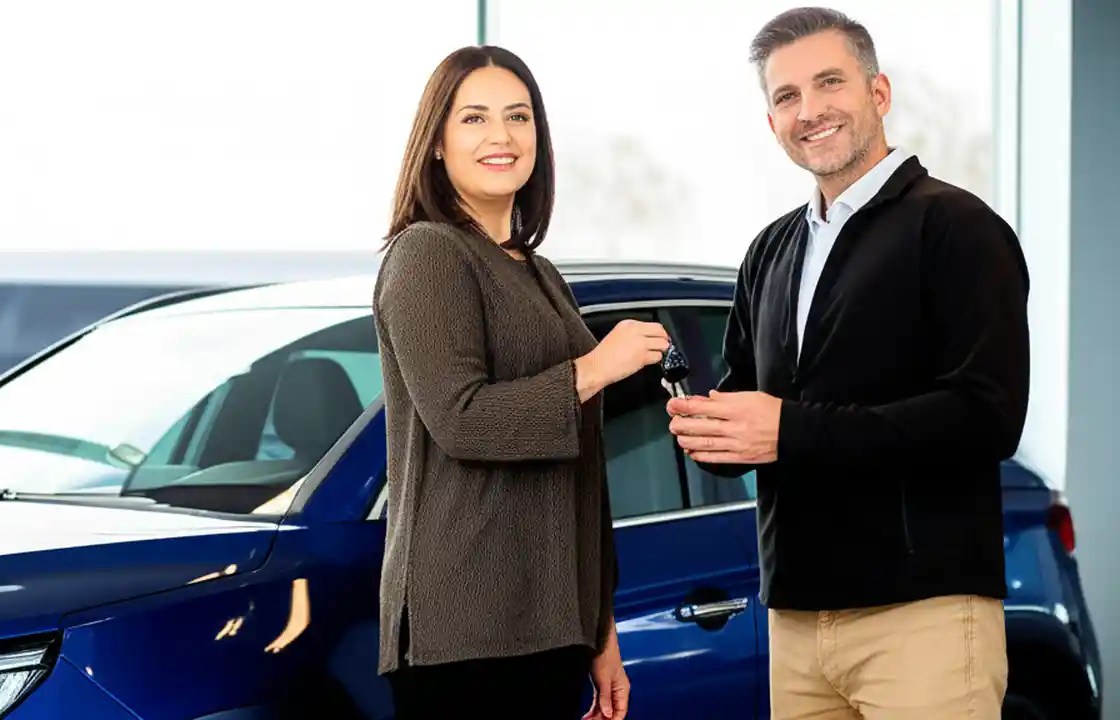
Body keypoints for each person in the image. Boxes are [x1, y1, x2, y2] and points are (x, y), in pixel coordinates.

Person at [667, 8, 1030, 719]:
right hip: (796, 625)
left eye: (828, 83)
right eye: (786, 97)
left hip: (922, 618)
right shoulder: (769, 252)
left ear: (879, 93)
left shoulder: (958, 228)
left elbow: (987, 417)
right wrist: (710, 432)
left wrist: (789, 431)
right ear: (772, 123)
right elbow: (757, 408)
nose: (810, 111)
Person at [373, 45, 667, 720]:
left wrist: (600, 630)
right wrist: (596, 367)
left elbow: (582, 473)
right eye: (473, 118)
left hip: (546, 626)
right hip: (467, 638)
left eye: (519, 116)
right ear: (437, 143)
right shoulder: (428, 253)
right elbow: (463, 420)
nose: (502, 136)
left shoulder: (539, 273)